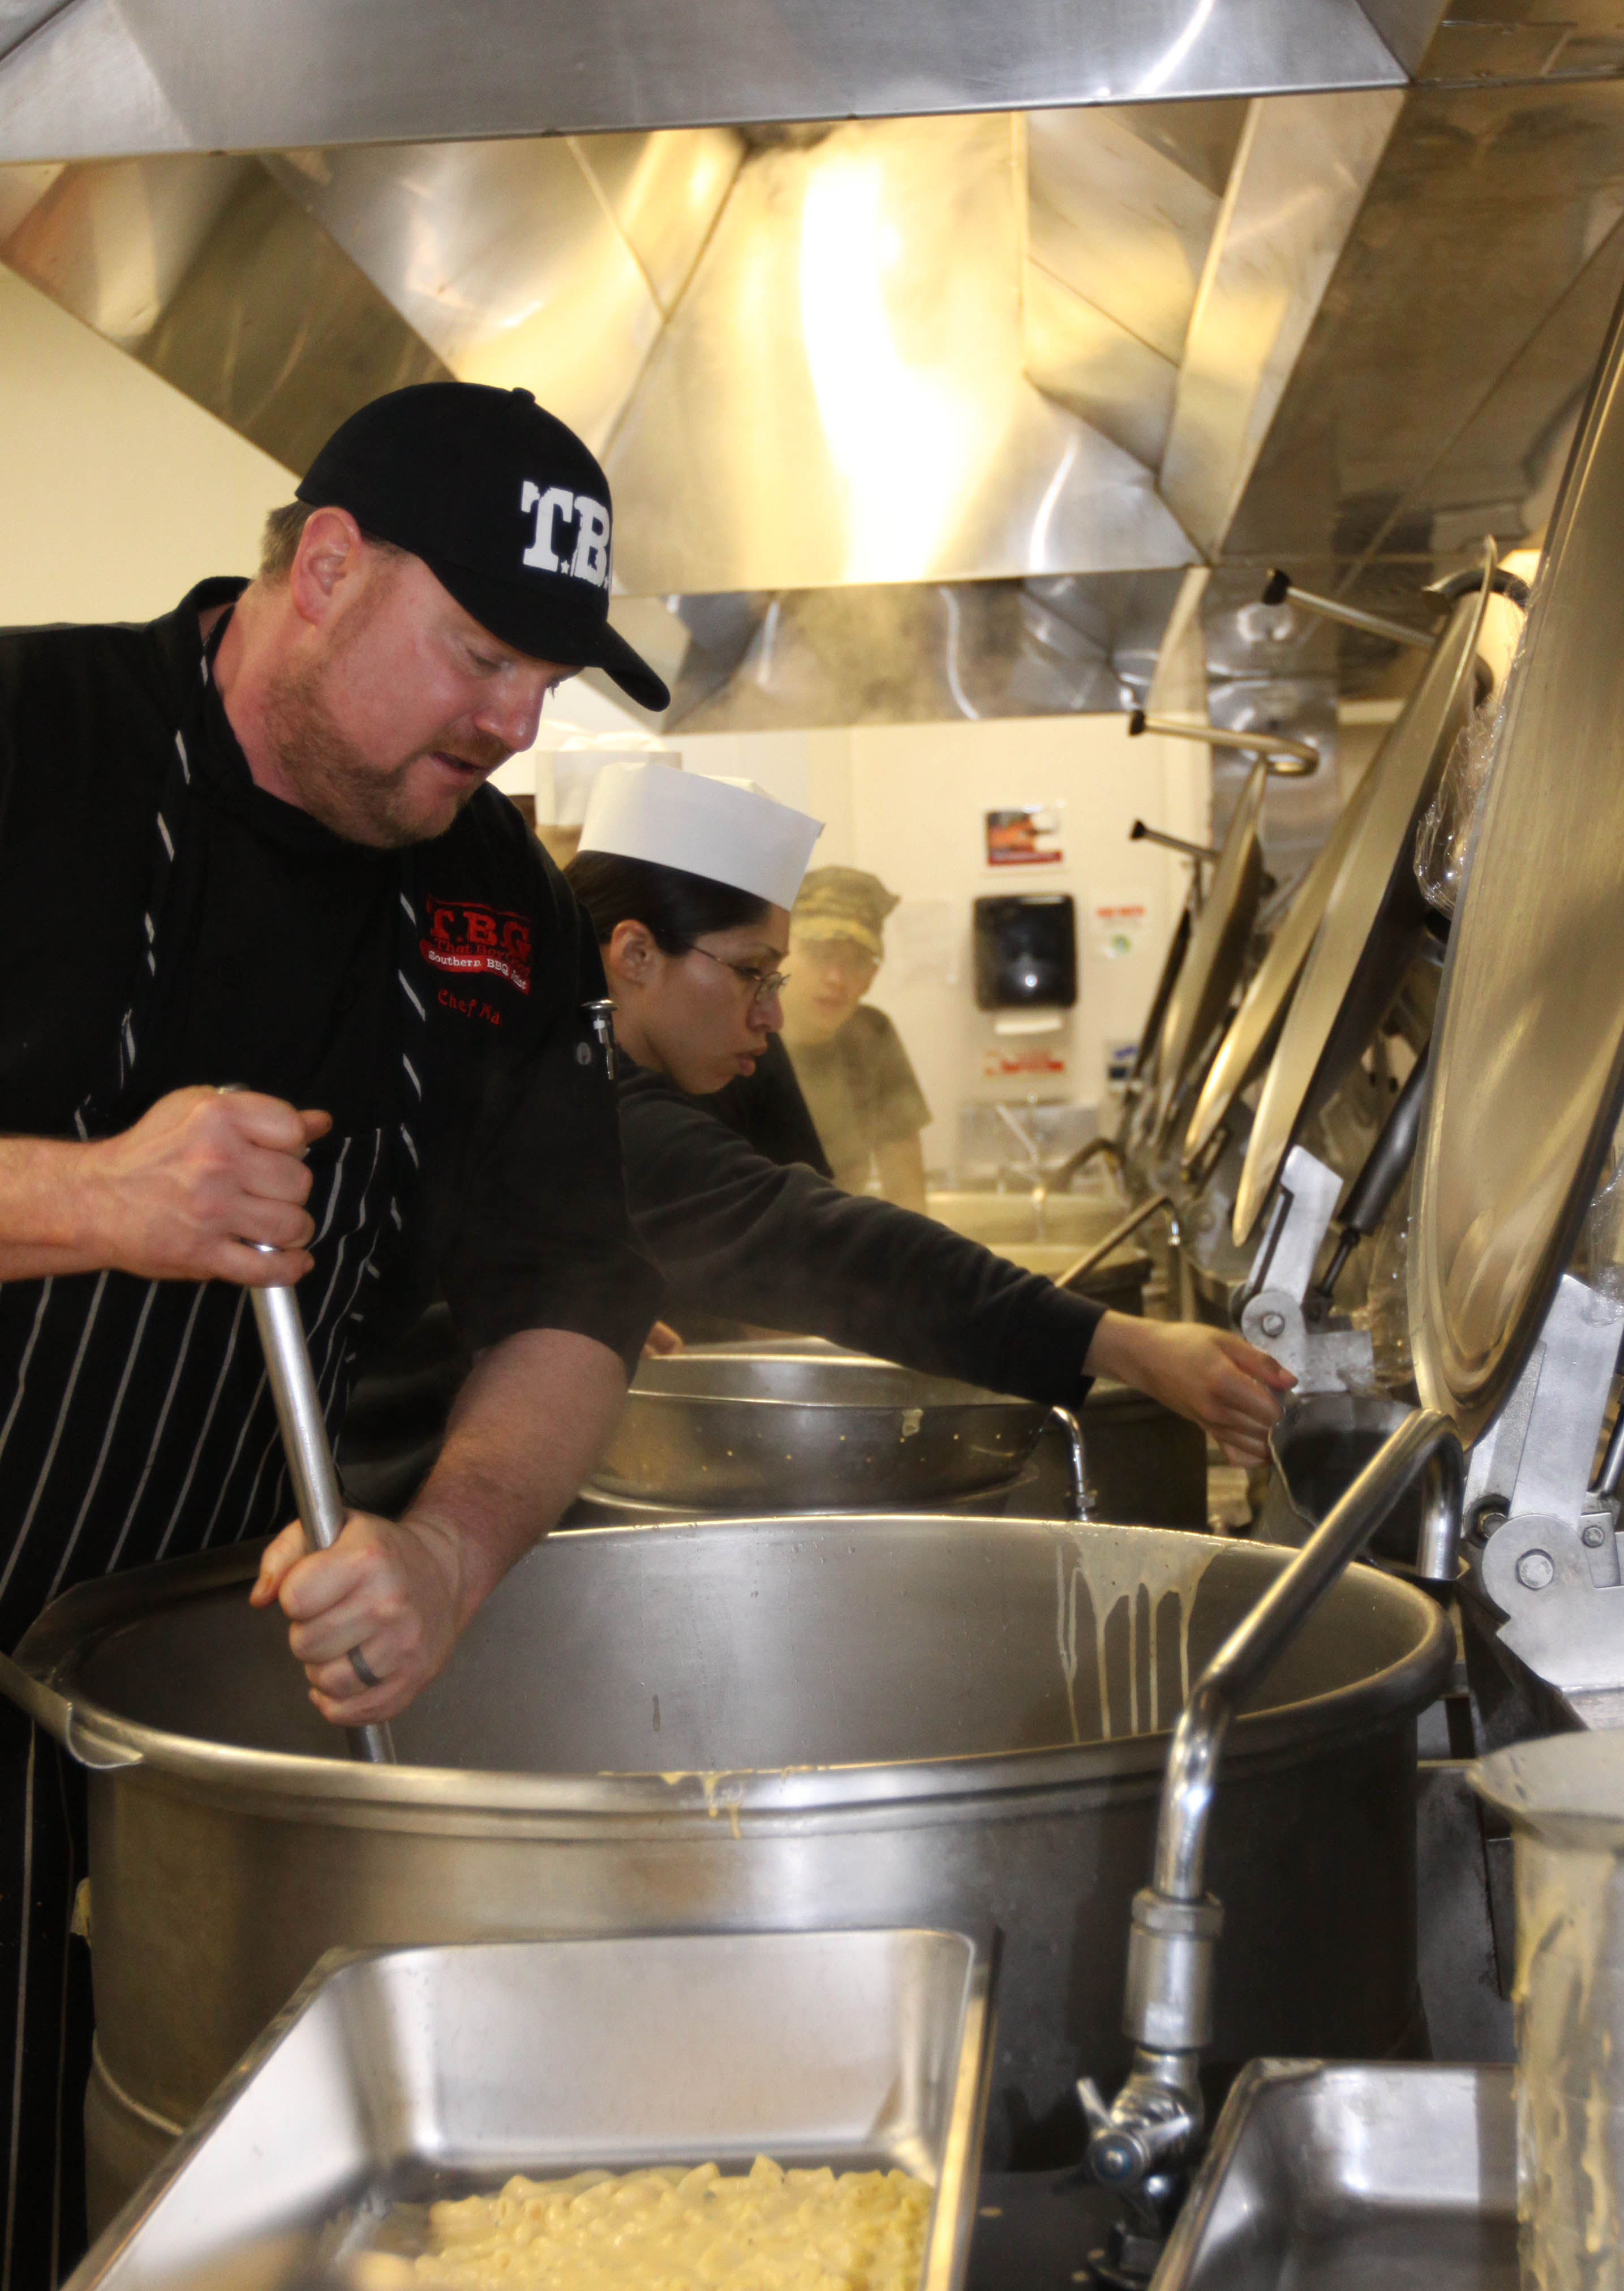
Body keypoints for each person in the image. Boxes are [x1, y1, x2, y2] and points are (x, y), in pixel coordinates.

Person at [0, 382, 665, 2282]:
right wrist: (86, 1198)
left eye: (547, 676)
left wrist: (451, 1553)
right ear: (327, 566)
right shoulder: (30, 740)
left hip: (174, 1705)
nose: (517, 721)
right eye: (481, 654)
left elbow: (575, 1292)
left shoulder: (490, 897)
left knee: (134, 2202)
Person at [567, 763, 1295, 1459]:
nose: (773, 1014)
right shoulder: (574, 1096)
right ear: (635, 953)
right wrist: (1126, 1346)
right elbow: (820, 1245)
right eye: (752, 973)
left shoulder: (638, 1060)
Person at [779, 867, 930, 1207]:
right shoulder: (736, 1037)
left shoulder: (873, 1038)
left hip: (842, 1247)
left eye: (858, 961)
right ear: (783, 953)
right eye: (820, 953)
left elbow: (907, 1194)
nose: (837, 978)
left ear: (873, 975)